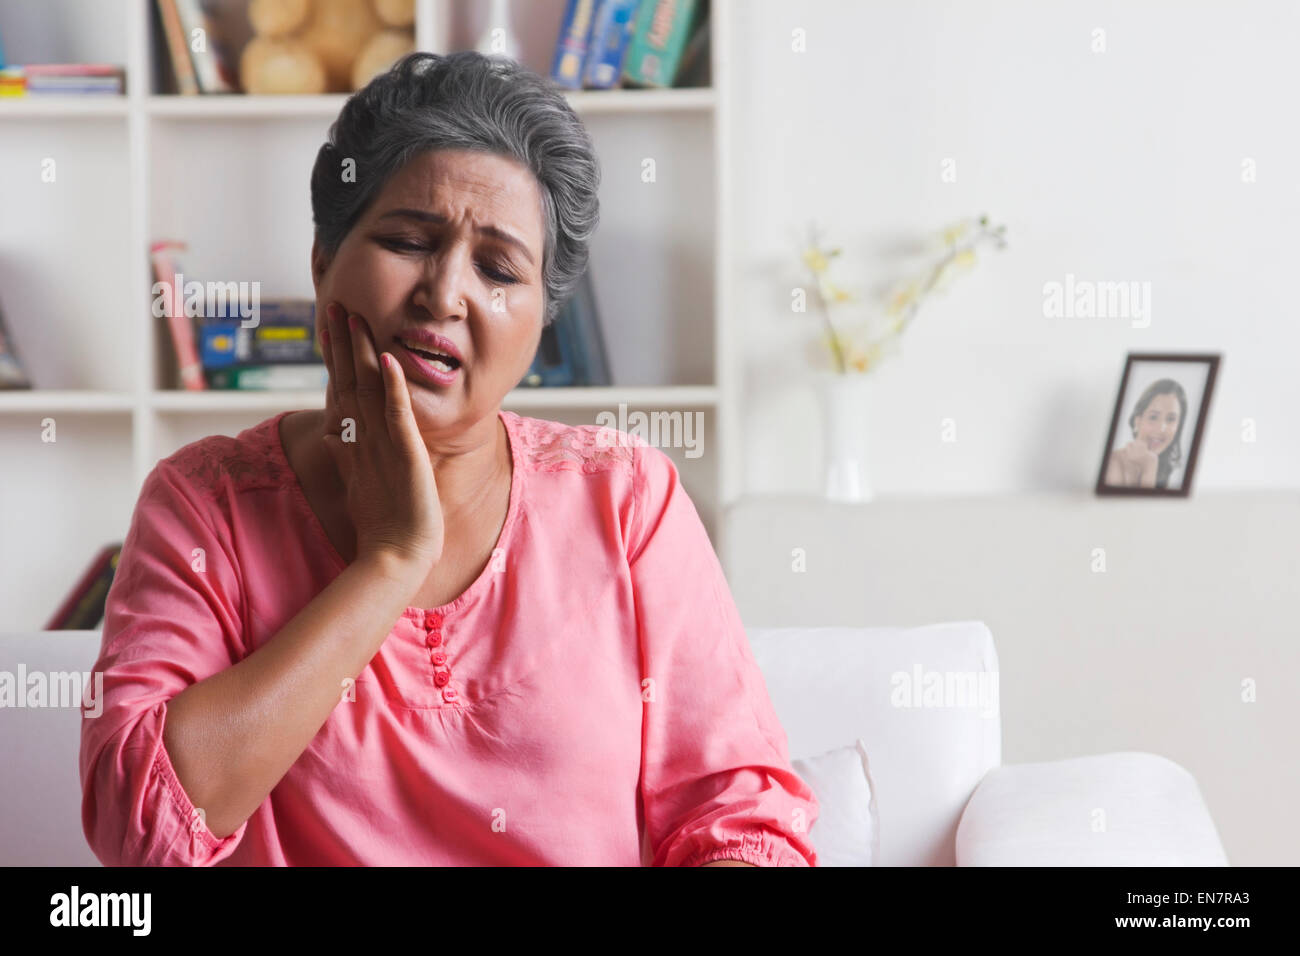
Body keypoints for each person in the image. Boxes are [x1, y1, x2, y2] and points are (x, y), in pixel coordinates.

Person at [79, 51, 816, 867]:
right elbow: (139, 834)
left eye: (499, 269)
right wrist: (388, 564)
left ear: (539, 328)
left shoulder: (625, 499)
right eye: (405, 240)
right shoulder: (207, 504)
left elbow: (740, 823)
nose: (445, 294)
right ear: (323, 262)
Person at [1105, 378, 1188, 489]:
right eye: (1153, 417)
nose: (1161, 428)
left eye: (1171, 419)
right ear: (1137, 420)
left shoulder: (1165, 468)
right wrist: (1150, 466)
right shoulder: (1113, 463)